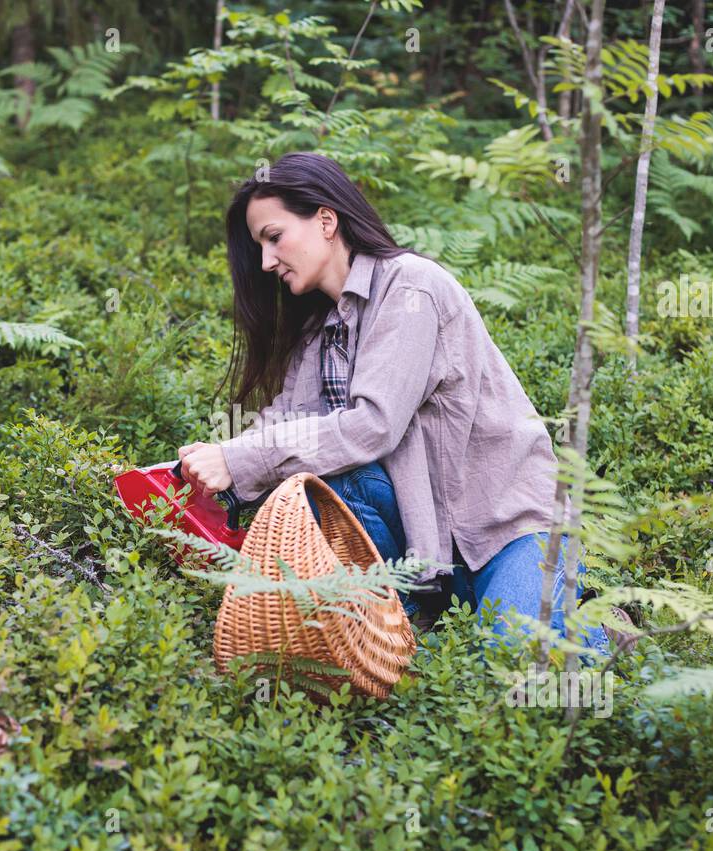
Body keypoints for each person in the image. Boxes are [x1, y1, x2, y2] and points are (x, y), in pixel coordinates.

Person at [177, 151, 634, 658]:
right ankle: (412, 618)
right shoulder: (320, 328)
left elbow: (374, 425)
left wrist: (240, 461)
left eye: (274, 236)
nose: (266, 261)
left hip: (505, 530)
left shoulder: (411, 288)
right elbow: (287, 422)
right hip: (424, 541)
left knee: (520, 662)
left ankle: (595, 621)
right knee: (318, 480)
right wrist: (209, 459)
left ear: (326, 220)